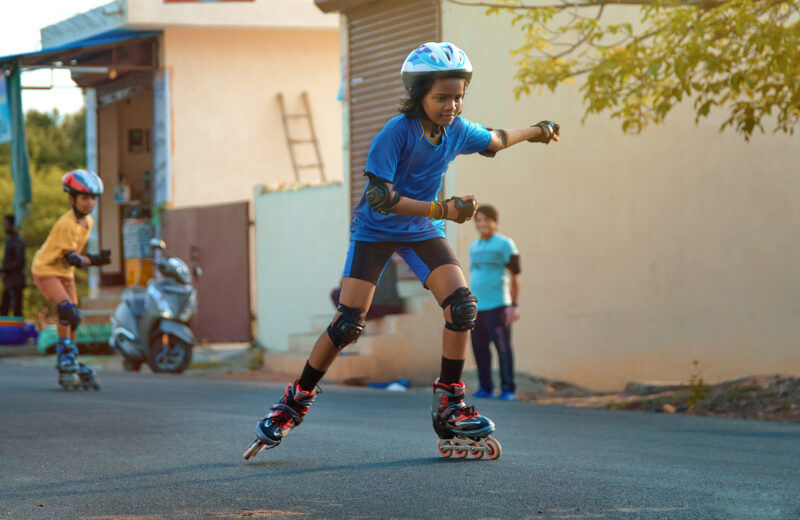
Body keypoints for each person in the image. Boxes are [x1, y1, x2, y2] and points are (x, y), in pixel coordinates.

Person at [244, 41, 559, 460]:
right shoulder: (396, 132)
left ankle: (450, 403)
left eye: (458, 96)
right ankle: (293, 402)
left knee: (462, 307)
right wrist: (444, 209)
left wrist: (538, 131)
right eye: (441, 97)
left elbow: (496, 140)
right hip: (375, 231)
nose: (451, 105)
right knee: (347, 325)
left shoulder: (457, 130)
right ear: (419, 96)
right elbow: (381, 198)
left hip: (421, 230)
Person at [32, 169, 111, 390]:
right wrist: (96, 260)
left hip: (64, 272)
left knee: (74, 316)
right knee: (66, 309)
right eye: (84, 198)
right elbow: (73, 258)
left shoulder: (88, 223)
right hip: (46, 268)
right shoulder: (66, 223)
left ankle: (71, 355)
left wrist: (93, 259)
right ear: (71, 198)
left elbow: (73, 259)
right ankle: (65, 355)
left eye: (93, 198)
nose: (89, 203)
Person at [469, 205, 521, 401]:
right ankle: (486, 387)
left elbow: (516, 275)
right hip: (478, 308)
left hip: (498, 305)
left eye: (486, 220)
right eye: (478, 220)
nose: (482, 224)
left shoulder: (505, 244)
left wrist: (513, 305)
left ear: (495, 222)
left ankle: (508, 388)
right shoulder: (473, 246)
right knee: (479, 349)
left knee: (503, 348)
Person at [1, 215, 26, 317]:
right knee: (4, 309)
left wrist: (4, 268)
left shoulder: (17, 241)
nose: (4, 227)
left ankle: (17, 332)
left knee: (16, 310)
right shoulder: (10, 240)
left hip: (15, 282)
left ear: (12, 225)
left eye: (6, 224)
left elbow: (20, 261)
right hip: (8, 282)